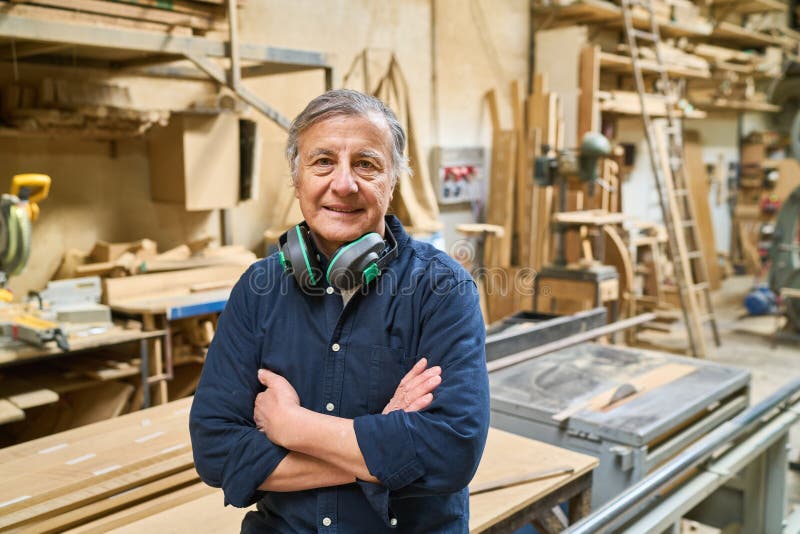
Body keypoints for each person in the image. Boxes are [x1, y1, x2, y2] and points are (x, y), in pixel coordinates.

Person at [189, 89, 490, 533]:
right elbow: (216, 451)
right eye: (323, 161)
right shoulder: (257, 290)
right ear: (297, 179)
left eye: (366, 164)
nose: (344, 184)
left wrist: (292, 427)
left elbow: (451, 450)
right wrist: (379, 443)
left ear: (393, 181)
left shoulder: (442, 288)